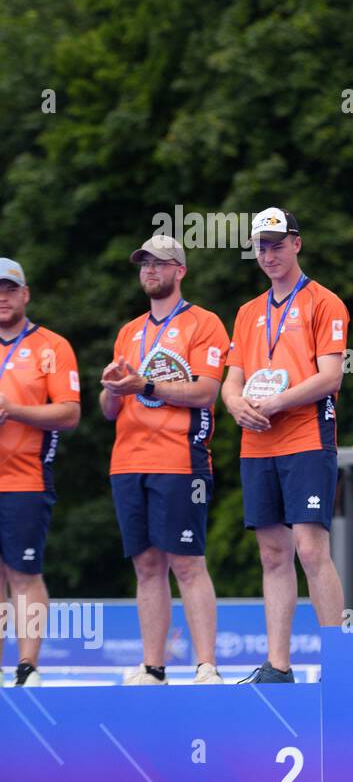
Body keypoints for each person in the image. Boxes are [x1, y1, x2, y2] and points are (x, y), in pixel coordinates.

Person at [223, 209, 350, 683]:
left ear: (297, 243)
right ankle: (278, 666)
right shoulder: (247, 312)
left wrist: (275, 402)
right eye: (261, 246)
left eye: (277, 244)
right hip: (258, 443)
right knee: (272, 554)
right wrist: (235, 404)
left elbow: (331, 375)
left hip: (306, 437)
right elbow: (231, 380)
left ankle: (340, 663)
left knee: (311, 549)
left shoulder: (324, 302)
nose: (268, 254)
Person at [100, 235, 229, 685]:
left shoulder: (205, 323)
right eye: (144, 264)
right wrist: (113, 388)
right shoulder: (128, 331)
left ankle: (206, 665)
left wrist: (146, 387)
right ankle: (153, 666)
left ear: (180, 271)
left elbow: (206, 391)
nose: (150, 270)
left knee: (187, 562)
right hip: (128, 460)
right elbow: (108, 409)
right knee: (145, 564)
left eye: (161, 263)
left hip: (179, 458)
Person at [0, 259, 80, 687]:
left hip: (25, 478)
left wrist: (13, 411)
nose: (2, 297)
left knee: (24, 574)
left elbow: (69, 413)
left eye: (9, 289)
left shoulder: (51, 346)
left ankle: (27, 666)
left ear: (25, 294)